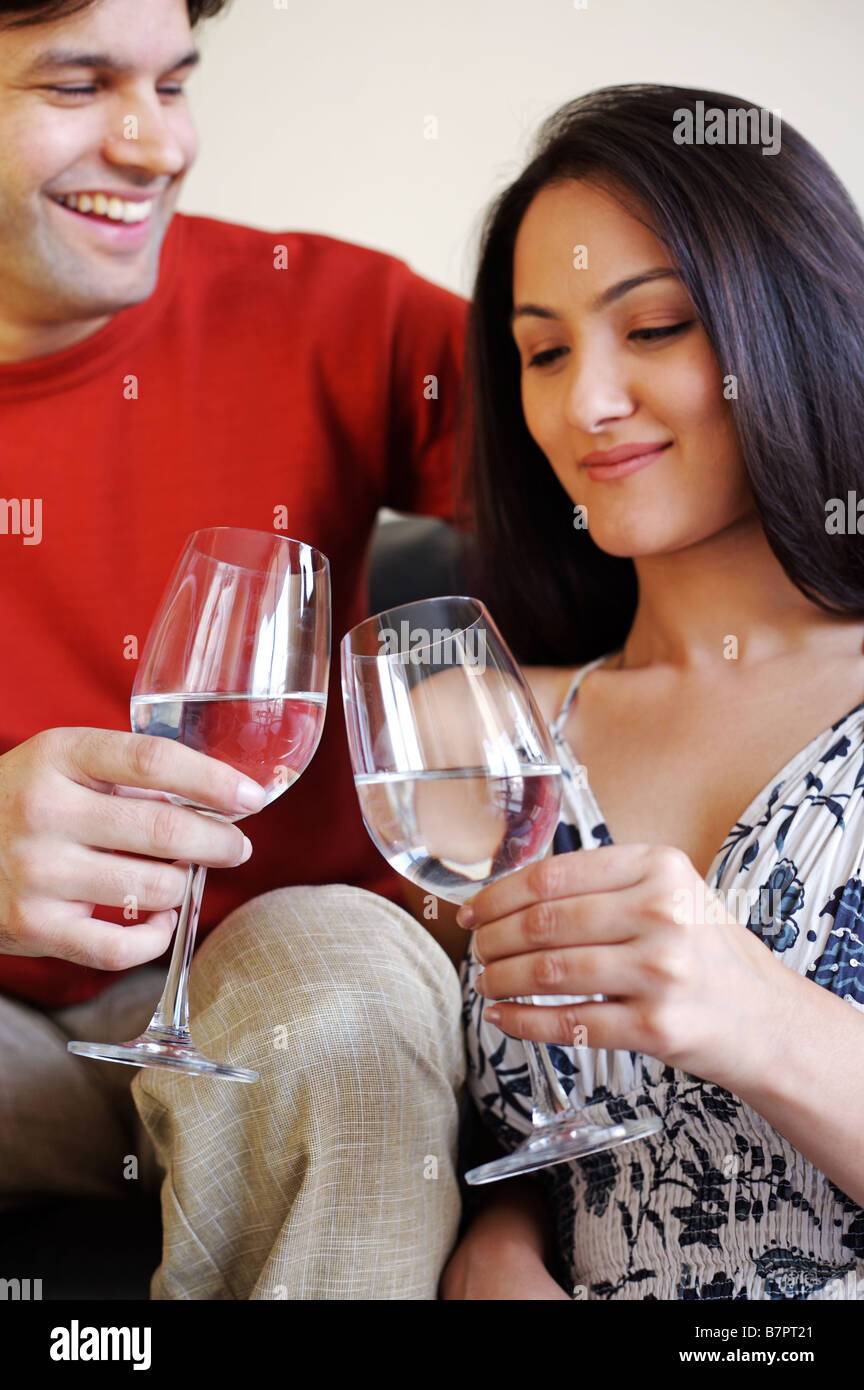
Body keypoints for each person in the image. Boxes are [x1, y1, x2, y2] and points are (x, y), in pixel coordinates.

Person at [0, 0, 468, 1295]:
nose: (157, 146)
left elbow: (681, 488)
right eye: (82, 84)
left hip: (264, 980)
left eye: (176, 81)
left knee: (347, 991)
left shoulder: (335, 310)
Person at [439, 82, 864, 1300]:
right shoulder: (496, 730)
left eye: (659, 326)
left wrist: (757, 1014)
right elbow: (502, 1119)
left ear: (792, 321)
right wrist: (502, 1238)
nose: (588, 404)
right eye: (545, 351)